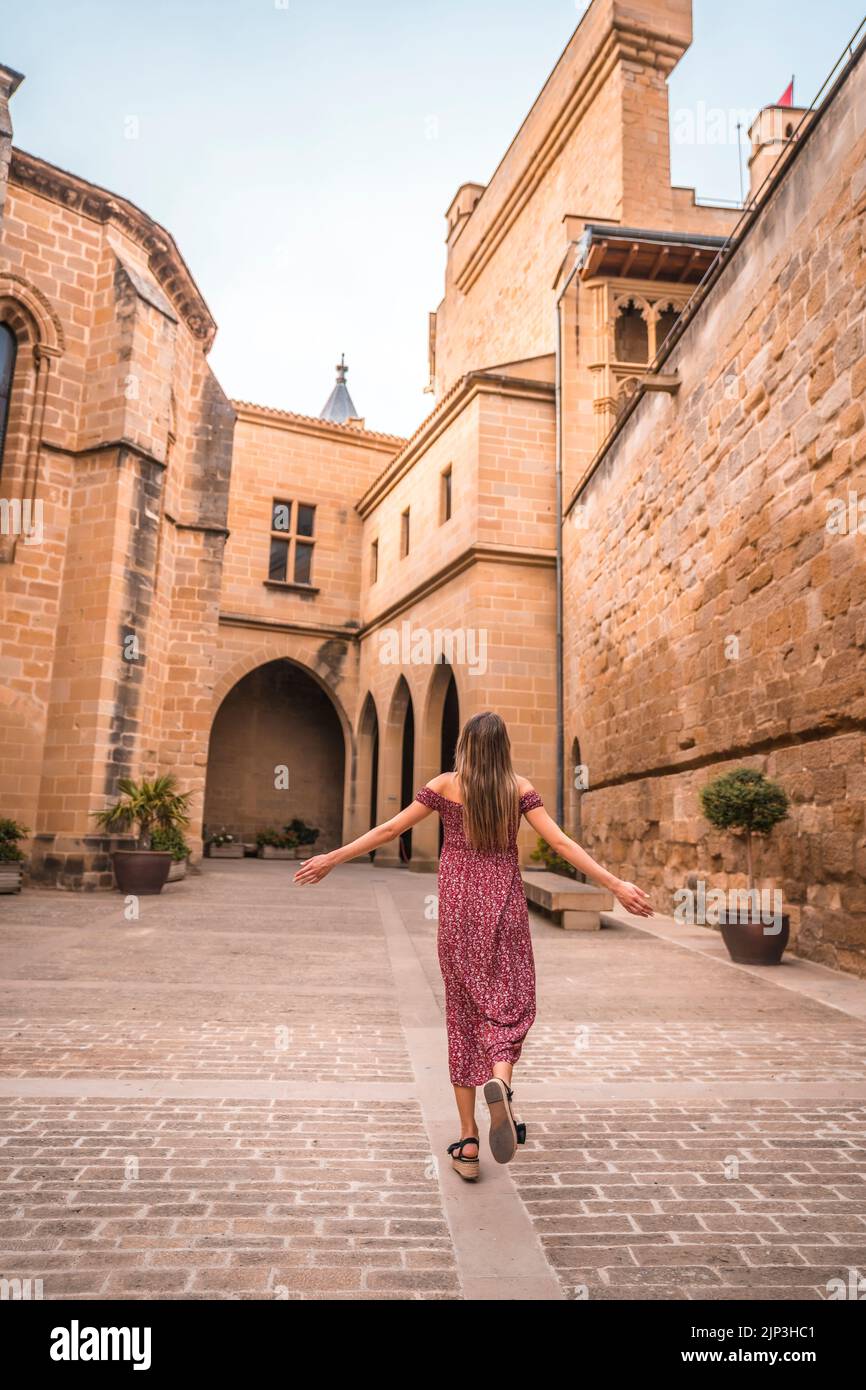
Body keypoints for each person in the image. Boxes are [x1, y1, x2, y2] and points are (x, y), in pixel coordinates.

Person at [294, 710, 652, 1182]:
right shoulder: (518, 788)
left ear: (464, 745)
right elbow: (563, 844)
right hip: (503, 908)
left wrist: (333, 858)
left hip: (459, 911)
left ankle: (467, 1142)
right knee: (510, 1002)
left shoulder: (445, 785)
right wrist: (616, 885)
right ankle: (501, 1081)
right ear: (504, 748)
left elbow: (389, 831)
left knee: (462, 1014)